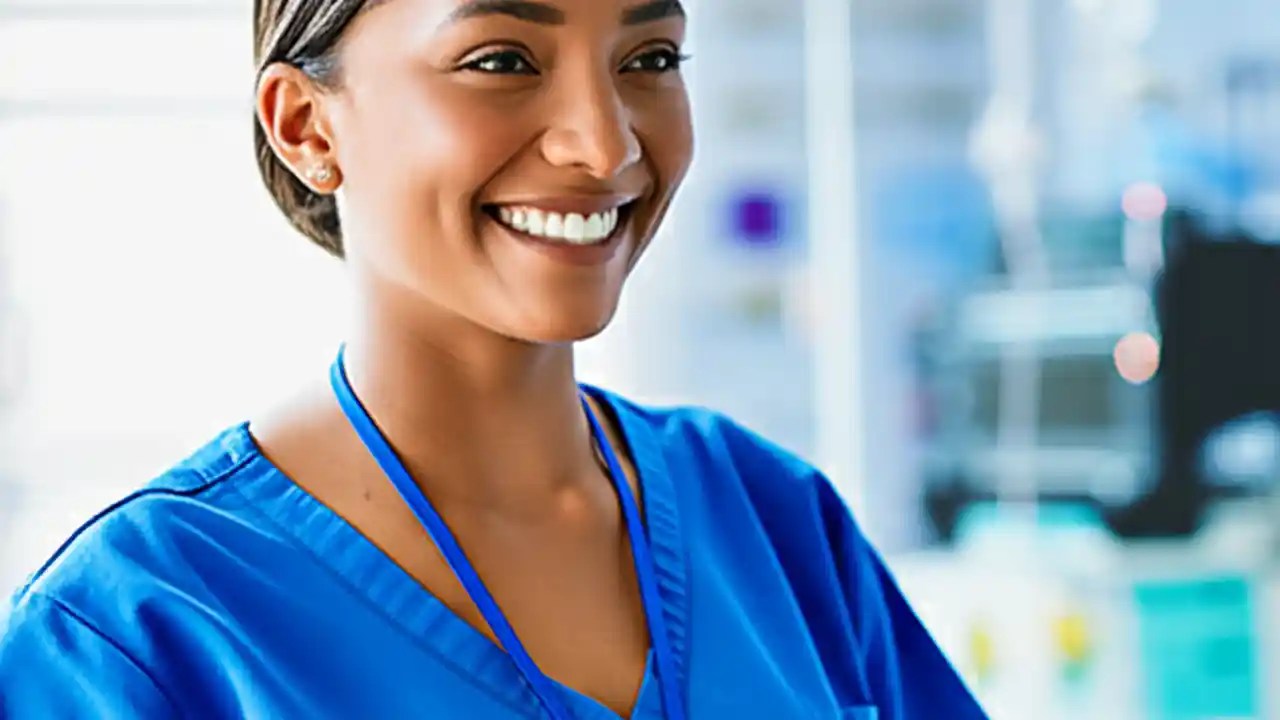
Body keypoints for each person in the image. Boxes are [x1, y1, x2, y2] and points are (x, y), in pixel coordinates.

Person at [0, 1, 988, 718]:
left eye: (648, 57)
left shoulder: (768, 517)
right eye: (502, 59)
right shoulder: (132, 633)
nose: (604, 146)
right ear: (307, 126)